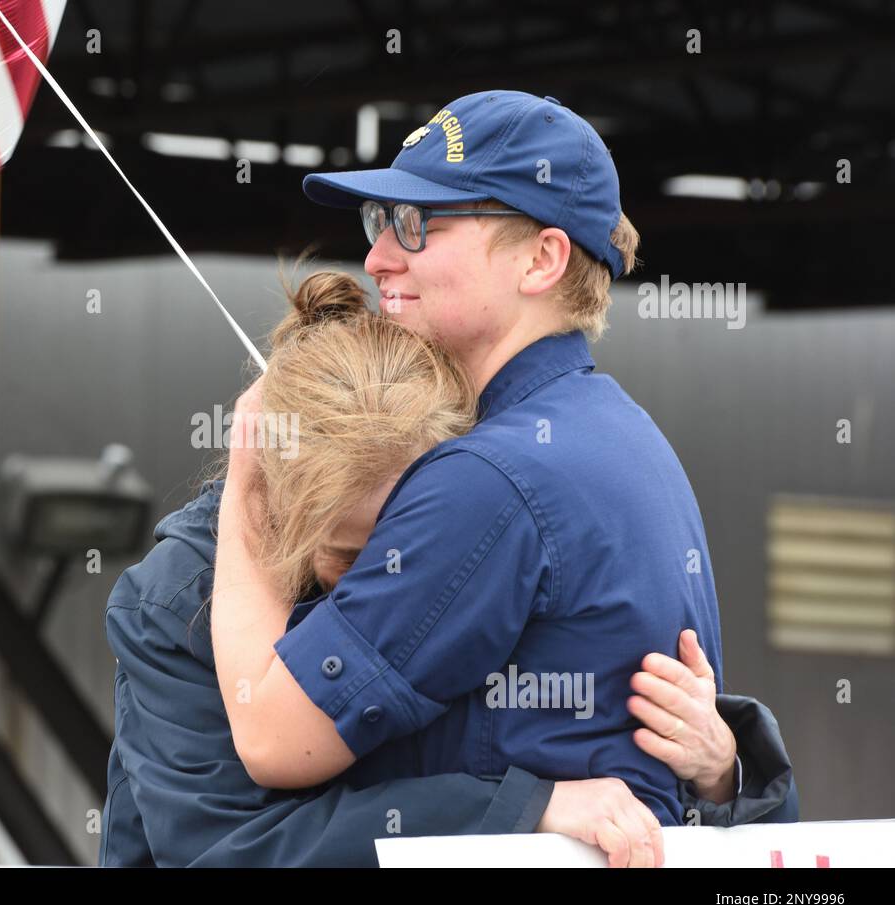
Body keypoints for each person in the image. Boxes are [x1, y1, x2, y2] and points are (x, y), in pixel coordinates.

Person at [207, 90, 799, 857]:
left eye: (420, 225)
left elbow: (273, 733)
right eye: (377, 223)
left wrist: (253, 464)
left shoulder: (492, 476)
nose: (379, 256)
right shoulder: (625, 437)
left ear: (543, 259)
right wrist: (726, 772)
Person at [101, 270, 795, 868]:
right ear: (280, 499)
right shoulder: (173, 603)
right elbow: (224, 848)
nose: (391, 573)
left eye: (413, 533)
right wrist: (528, 807)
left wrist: (723, 770)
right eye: (348, 552)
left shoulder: (462, 552)